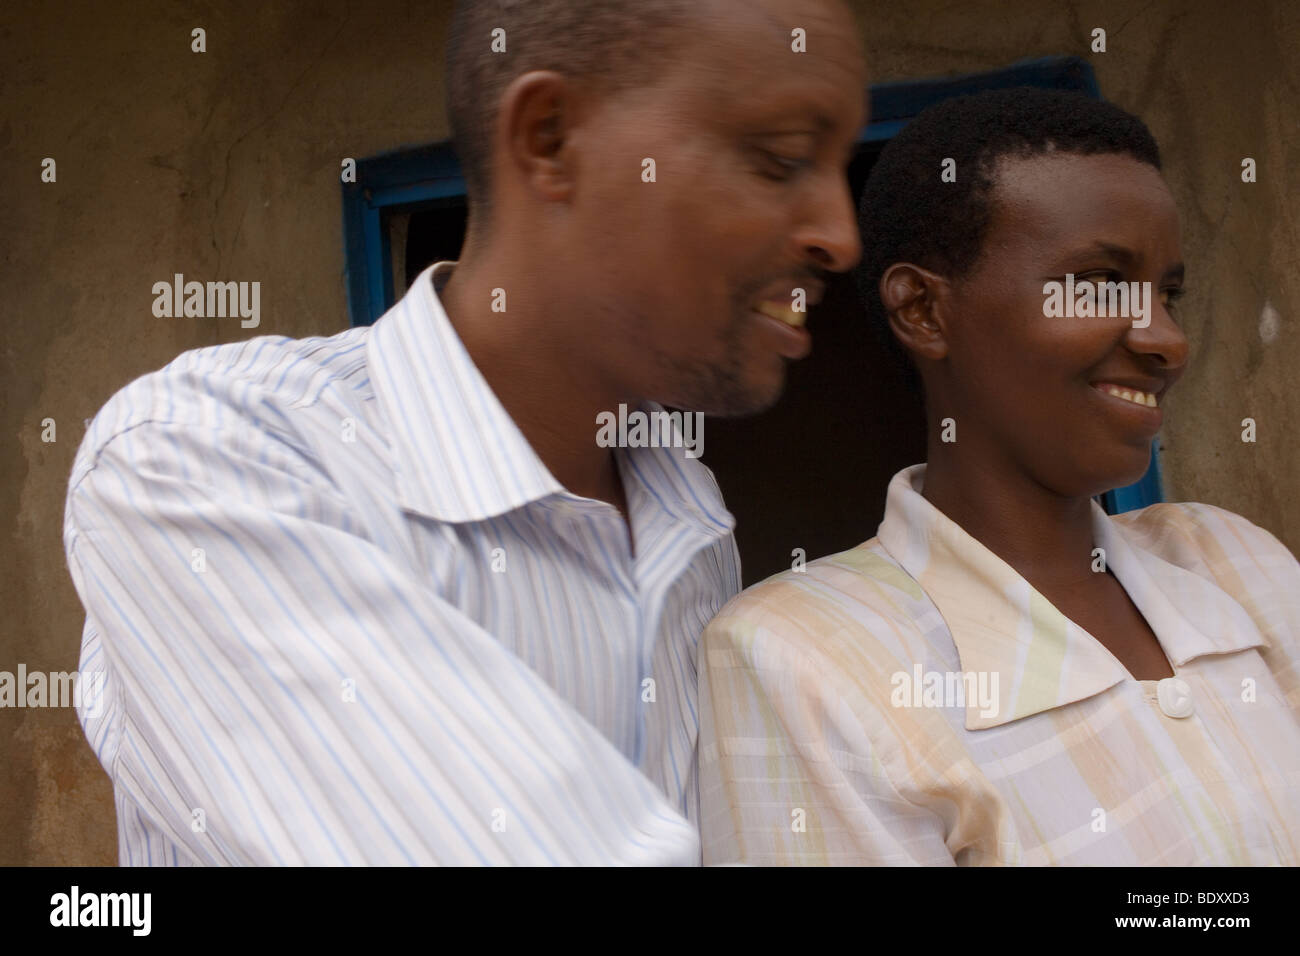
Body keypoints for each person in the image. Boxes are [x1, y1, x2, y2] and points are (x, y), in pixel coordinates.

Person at [62, 0, 867, 865]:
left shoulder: (685, 511)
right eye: (781, 158)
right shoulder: (206, 458)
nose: (841, 236)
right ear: (550, 138)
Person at [698, 87, 1300, 865]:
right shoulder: (806, 657)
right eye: (1097, 285)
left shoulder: (1231, 559)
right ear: (922, 310)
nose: (1165, 341)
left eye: (1167, 293)